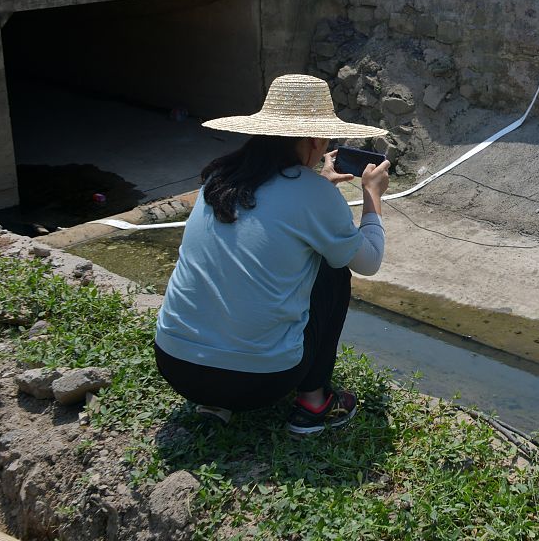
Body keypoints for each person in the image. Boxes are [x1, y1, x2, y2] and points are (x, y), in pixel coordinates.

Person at [154, 74, 391, 436]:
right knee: (334, 267)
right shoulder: (313, 194)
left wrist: (319, 186)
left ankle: (214, 405)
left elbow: (272, 218)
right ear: (315, 140)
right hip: (259, 384)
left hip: (176, 366)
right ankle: (314, 401)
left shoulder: (218, 180)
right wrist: (372, 194)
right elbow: (369, 261)